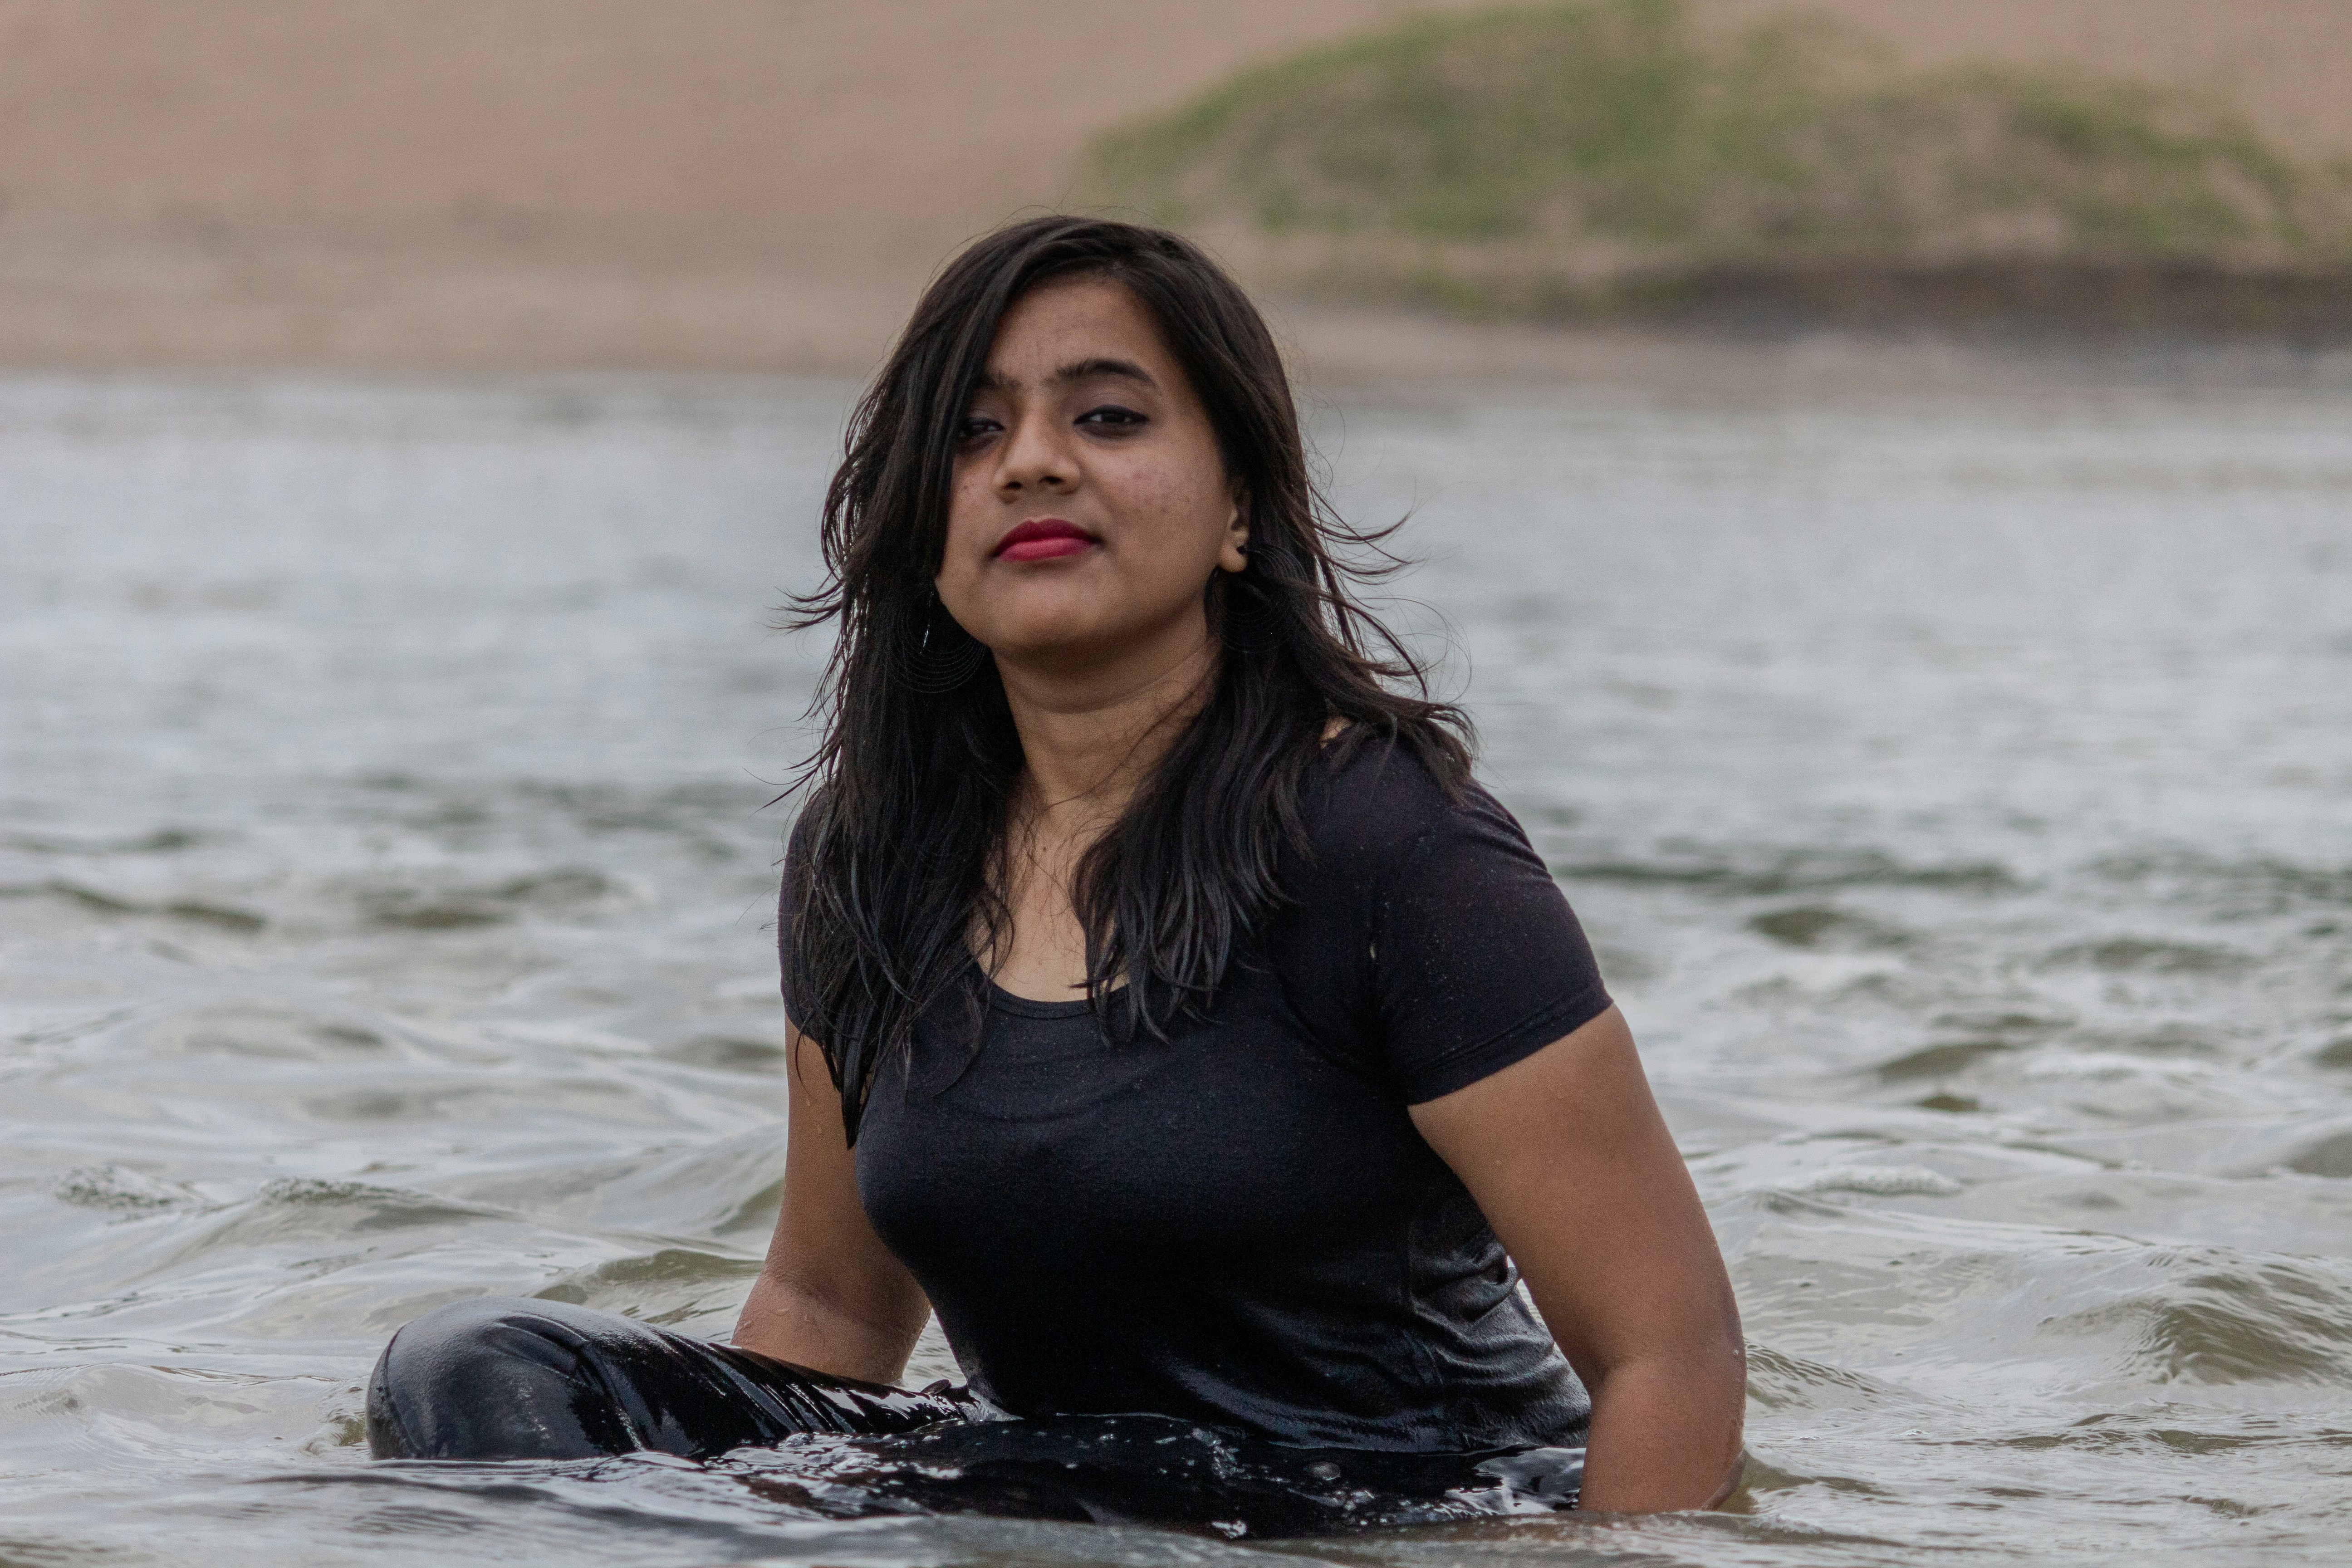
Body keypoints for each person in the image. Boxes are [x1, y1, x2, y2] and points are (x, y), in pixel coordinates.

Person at [366, 216, 1745, 1527]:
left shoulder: (1397, 848)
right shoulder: (868, 858)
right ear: (926, 523)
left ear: (1240, 512)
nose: (1031, 463)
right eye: (974, 433)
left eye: (1109, 417)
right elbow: (834, 1309)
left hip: (1385, 1508)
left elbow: (1669, 1350)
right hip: (1048, 1484)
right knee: (474, 1373)